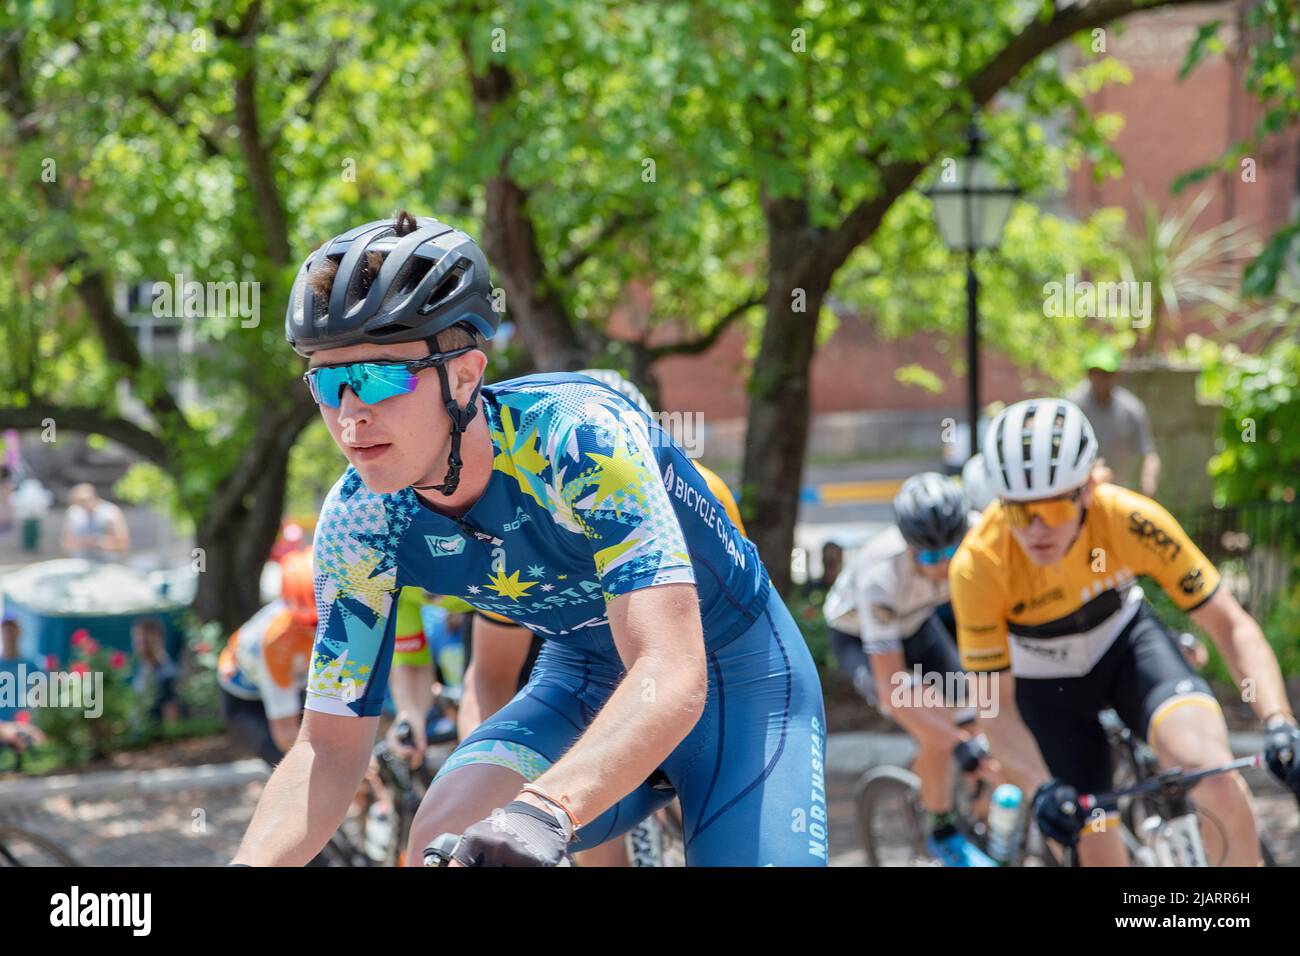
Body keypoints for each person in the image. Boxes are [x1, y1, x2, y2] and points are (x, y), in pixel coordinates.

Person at [231, 211, 825, 868]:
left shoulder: (579, 440)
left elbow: (672, 671)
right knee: (448, 846)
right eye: (326, 381)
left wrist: (546, 810)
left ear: (464, 376)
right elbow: (328, 750)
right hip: (584, 680)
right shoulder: (360, 522)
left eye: (377, 376)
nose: (349, 414)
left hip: (737, 679)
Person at [951, 397, 1300, 866]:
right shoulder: (978, 565)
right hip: (1045, 685)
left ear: (1088, 490)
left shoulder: (1129, 519)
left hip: (1126, 648)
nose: (1036, 530)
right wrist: (1040, 788)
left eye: (1053, 509)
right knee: (1094, 840)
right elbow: (995, 704)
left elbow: (1228, 623)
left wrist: (1278, 720)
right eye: (1017, 512)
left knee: (1214, 775)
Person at [823, 473, 996, 866]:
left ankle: (976, 812)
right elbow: (894, 689)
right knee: (932, 718)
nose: (944, 566)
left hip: (918, 622)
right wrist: (956, 744)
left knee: (976, 709)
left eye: (952, 552)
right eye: (931, 557)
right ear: (908, 545)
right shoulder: (881, 572)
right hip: (857, 635)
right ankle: (939, 830)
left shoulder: (979, 532)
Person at [217, 550, 319, 764]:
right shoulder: (276, 643)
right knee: (287, 761)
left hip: (294, 678)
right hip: (246, 698)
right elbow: (285, 733)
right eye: (311, 625)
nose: (320, 632)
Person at [1067, 343, 1160, 496]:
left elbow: (1149, 453)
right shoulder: (1073, 407)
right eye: (1094, 373)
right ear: (1087, 374)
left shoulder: (1131, 410)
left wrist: (1148, 482)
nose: (1099, 379)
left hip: (1118, 492)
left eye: (1105, 374)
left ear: (1116, 375)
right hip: (1079, 493)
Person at [60, 483, 130, 561]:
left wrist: (99, 542)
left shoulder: (110, 512)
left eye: (85, 501)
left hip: (106, 564)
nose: (84, 506)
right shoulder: (74, 513)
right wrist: (82, 542)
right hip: (80, 563)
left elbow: (123, 544)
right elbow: (66, 544)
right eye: (79, 503)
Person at [131, 616, 182, 725]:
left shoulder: (167, 673)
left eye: (144, 642)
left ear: (157, 639)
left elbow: (171, 715)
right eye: (137, 642)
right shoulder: (144, 667)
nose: (139, 647)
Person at [0, 615, 43, 723]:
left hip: (24, 726)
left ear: (18, 633)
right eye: (6, 632)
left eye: (12, 631)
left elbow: (39, 698)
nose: (9, 635)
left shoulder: (31, 666)